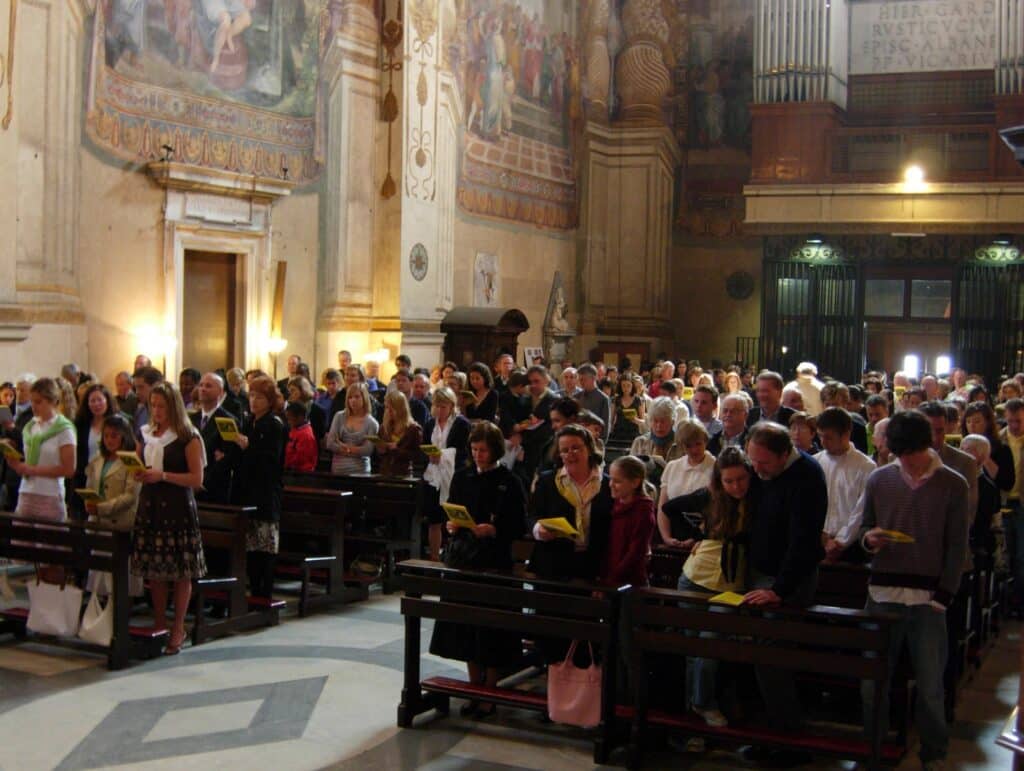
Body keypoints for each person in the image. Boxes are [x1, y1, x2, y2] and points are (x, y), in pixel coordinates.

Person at [859, 410, 969, 771]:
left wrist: (944, 595)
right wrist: (870, 540)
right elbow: (865, 529)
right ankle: (873, 750)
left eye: (911, 453)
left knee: (930, 684)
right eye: (899, 453)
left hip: (927, 599)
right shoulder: (879, 479)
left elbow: (957, 544)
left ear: (928, 445)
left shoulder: (952, 484)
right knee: (872, 681)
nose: (905, 461)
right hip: (883, 593)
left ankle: (933, 753)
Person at [740, 422, 827, 764]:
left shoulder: (807, 476)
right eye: (753, 460)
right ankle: (768, 733)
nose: (756, 469)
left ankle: (788, 740)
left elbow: (803, 540)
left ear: (784, 454)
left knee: (774, 659)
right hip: (762, 575)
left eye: (763, 462)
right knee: (760, 658)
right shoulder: (766, 472)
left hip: (788, 581)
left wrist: (779, 589)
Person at [428, 421, 527, 718]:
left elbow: (519, 525)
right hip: (464, 559)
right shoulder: (463, 476)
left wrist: (494, 529)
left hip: (495, 562)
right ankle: (473, 686)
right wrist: (452, 524)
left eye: (483, 450)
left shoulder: (510, 481)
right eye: (474, 449)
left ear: (495, 450)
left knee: (491, 629)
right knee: (465, 627)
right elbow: (453, 507)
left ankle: (491, 690)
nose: (478, 455)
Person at [663, 447, 755, 728]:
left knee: (710, 645)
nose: (736, 487)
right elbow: (670, 508)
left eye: (741, 479)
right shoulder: (709, 497)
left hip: (730, 584)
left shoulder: (757, 499)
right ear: (719, 480)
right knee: (694, 647)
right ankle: (695, 712)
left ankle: (703, 703)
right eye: (729, 481)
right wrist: (697, 536)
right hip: (695, 577)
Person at [130, 382, 206, 654]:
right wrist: (138, 471)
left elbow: (196, 479)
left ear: (173, 407)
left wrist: (162, 475)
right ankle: (160, 622)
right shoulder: (146, 433)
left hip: (177, 508)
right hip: (151, 506)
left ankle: (178, 627)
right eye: (153, 405)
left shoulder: (188, 436)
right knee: (155, 570)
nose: (157, 411)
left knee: (180, 572)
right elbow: (139, 463)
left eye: (161, 406)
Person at [8, 378, 77, 583]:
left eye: (39, 402)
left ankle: (53, 597)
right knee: (28, 556)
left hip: (49, 495)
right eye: (32, 401)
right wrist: (15, 462)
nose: (34, 406)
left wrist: (32, 469)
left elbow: (69, 469)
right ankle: (34, 597)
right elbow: (28, 462)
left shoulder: (64, 428)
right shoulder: (31, 426)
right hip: (27, 492)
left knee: (51, 556)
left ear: (53, 401)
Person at [529, 425, 613, 581]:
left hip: (593, 565)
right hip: (552, 564)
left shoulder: (608, 484)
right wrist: (538, 529)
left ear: (589, 449)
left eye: (575, 448)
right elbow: (532, 515)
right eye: (564, 450)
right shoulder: (547, 481)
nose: (570, 454)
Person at [230, 376, 284, 599]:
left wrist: (249, 447)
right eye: (251, 396)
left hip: (265, 493)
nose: (253, 401)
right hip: (247, 490)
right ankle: (253, 590)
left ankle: (264, 593)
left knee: (264, 546)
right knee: (250, 546)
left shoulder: (274, 425)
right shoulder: (248, 422)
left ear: (270, 400)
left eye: (259, 397)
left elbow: (272, 460)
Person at [83, 414, 143, 595]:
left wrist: (103, 508)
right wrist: (89, 502)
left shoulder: (131, 461)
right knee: (99, 571)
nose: (109, 440)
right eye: (106, 435)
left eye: (114, 436)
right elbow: (90, 485)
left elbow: (131, 495)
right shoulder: (98, 459)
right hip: (98, 522)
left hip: (119, 522)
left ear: (124, 436)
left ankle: (118, 603)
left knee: (117, 576)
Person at [815, 407, 876, 563]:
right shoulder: (815, 462)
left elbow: (861, 510)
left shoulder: (865, 466)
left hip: (851, 546)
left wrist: (841, 541)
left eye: (829, 437)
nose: (823, 442)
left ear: (846, 434)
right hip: (816, 540)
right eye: (820, 436)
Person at [422, 387, 472, 560]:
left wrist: (442, 455)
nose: (439, 410)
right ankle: (434, 557)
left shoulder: (462, 424)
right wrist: (429, 454)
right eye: (436, 406)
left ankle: (453, 556)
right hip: (433, 476)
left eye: (443, 407)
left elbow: (465, 452)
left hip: (454, 476)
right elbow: (425, 445)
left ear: (452, 406)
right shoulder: (430, 424)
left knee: (453, 520)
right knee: (434, 520)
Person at [657, 421, 715, 546]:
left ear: (705, 441)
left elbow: (716, 511)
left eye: (698, 444)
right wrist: (666, 537)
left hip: (705, 535)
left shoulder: (716, 468)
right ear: (681, 446)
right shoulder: (672, 466)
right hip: (673, 533)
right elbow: (662, 506)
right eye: (688, 446)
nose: (694, 450)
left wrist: (694, 539)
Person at [601, 455, 655, 587]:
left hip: (630, 582)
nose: (610, 484)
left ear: (635, 483)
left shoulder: (643, 511)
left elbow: (635, 554)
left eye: (617, 481)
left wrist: (611, 581)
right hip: (610, 575)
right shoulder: (615, 503)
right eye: (611, 479)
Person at [190, 372, 241, 504]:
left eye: (208, 386)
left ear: (221, 392)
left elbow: (226, 458)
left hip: (213, 489)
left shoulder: (228, 421)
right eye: (201, 385)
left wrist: (201, 481)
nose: (203, 389)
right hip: (190, 484)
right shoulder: (191, 419)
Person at [72, 384, 118, 516]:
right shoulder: (80, 424)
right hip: (84, 478)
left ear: (107, 401)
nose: (96, 404)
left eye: (100, 400)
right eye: (92, 401)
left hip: (109, 478)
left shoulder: (118, 423)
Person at [1000, 397, 1024, 613]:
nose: (1015, 426)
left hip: (1022, 504)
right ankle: (1006, 602)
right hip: (1004, 502)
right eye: (1011, 421)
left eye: (1019, 421)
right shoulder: (999, 441)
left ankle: (1018, 601)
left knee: (1021, 555)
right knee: (1005, 554)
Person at [629, 397, 684, 488]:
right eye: (655, 421)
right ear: (650, 421)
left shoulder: (682, 444)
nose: (659, 426)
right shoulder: (640, 442)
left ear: (672, 422)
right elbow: (630, 473)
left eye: (663, 421)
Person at [325, 382, 378, 476]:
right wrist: (356, 450)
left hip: (361, 471)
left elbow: (367, 450)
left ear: (364, 398)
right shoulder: (339, 416)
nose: (353, 400)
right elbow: (330, 444)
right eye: (350, 397)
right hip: (338, 470)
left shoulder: (372, 423)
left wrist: (343, 446)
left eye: (357, 397)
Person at [376, 391, 424, 477]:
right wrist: (381, 450)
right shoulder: (384, 427)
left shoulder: (413, 429)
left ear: (401, 408)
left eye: (392, 408)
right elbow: (380, 455)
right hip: (385, 473)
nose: (389, 411)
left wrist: (397, 450)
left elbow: (418, 456)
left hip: (404, 474)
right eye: (386, 407)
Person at [575, 363, 611, 441]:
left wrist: (600, 443)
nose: (581, 382)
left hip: (595, 440)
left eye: (583, 379)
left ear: (593, 378)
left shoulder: (603, 399)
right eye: (579, 379)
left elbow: (605, 426)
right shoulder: (576, 397)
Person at [287, 376, 326, 445]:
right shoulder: (290, 409)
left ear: (303, 390)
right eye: (289, 391)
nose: (290, 394)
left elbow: (320, 436)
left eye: (293, 390)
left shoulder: (317, 410)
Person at [132, 366, 163, 447]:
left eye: (141, 387)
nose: (137, 392)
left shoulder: (168, 413)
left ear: (156, 386)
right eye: (136, 388)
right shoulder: (140, 412)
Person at [610, 374, 645, 445]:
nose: (626, 388)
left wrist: (635, 420)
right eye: (623, 385)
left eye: (628, 385)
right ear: (620, 386)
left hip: (633, 435)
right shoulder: (616, 399)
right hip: (618, 434)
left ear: (632, 386)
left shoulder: (638, 400)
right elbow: (611, 419)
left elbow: (643, 421)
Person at [284, 401, 318, 472]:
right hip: (291, 469)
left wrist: (284, 463)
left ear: (300, 417)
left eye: (290, 418)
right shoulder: (295, 428)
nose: (288, 421)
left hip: (300, 473)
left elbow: (301, 458)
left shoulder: (306, 435)